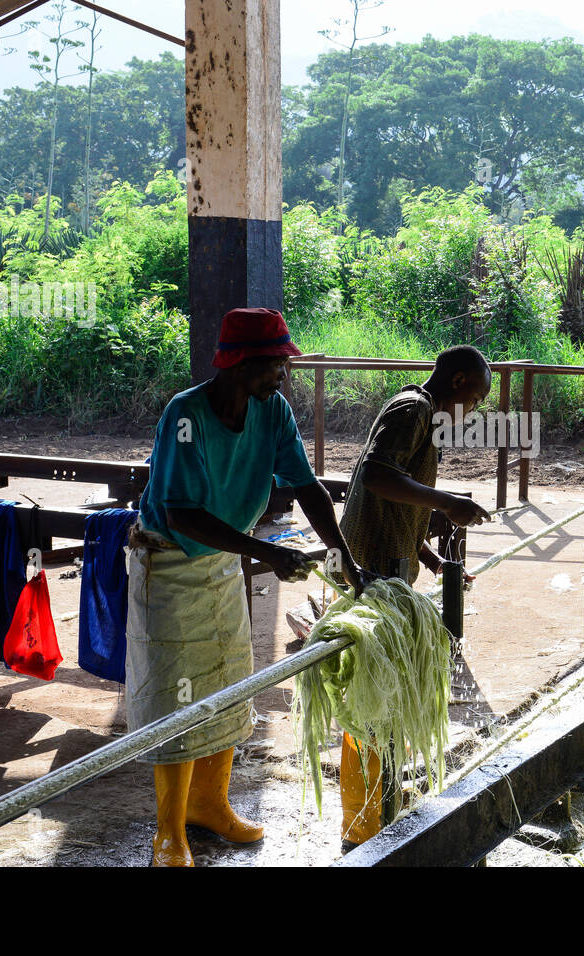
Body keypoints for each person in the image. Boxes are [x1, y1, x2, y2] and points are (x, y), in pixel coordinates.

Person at [127, 306, 368, 867]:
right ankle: (170, 832)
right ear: (238, 363)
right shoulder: (185, 416)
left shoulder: (273, 411)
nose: (282, 376)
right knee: (176, 694)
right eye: (273, 366)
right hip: (169, 564)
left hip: (222, 562)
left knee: (227, 681)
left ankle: (211, 804)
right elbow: (182, 513)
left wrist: (343, 557)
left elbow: (307, 487)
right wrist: (267, 552)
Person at [332, 344, 493, 851]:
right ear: (459, 381)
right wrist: (448, 502)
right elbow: (377, 476)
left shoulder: (422, 418)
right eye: (477, 400)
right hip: (368, 570)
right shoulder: (414, 408)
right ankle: (362, 822)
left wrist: (431, 560)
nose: (474, 413)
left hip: (390, 564)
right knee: (371, 694)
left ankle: (382, 798)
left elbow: (398, 505)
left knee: (390, 689)